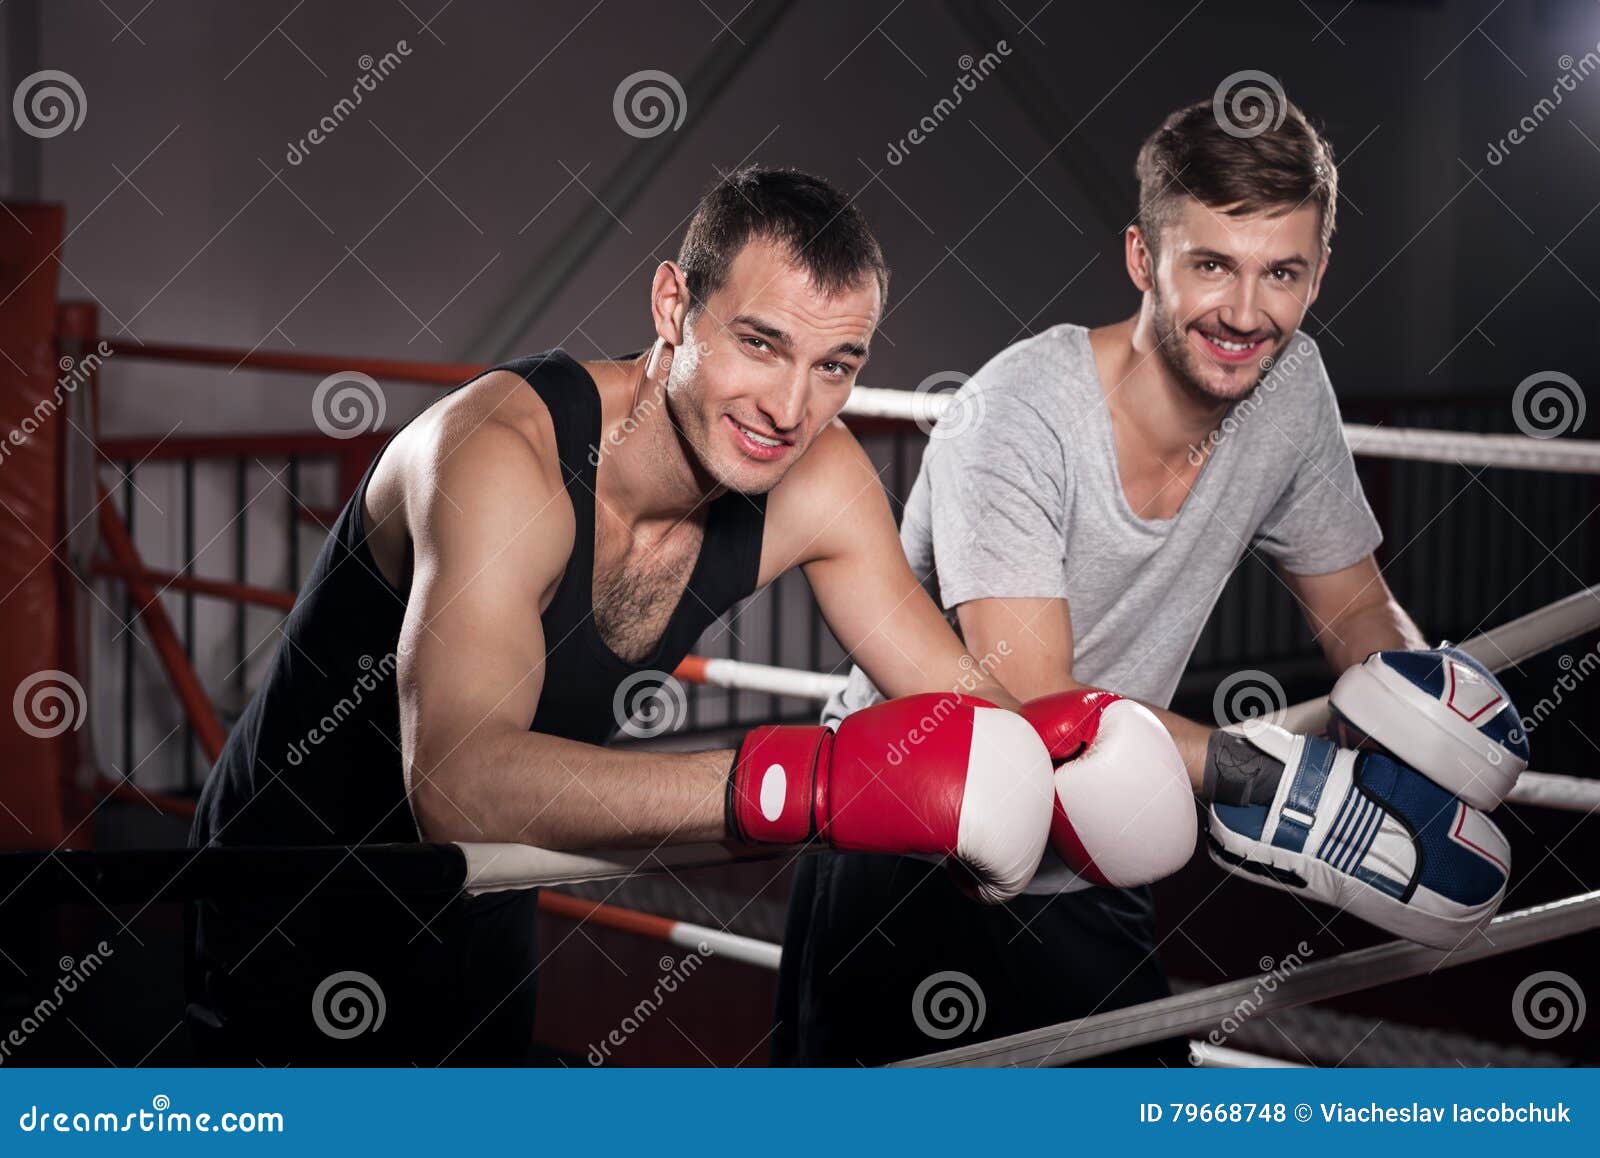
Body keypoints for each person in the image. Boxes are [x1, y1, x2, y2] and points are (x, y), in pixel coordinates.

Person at [186, 166, 1182, 1066]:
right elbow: (455, 781)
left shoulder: (816, 480)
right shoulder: (499, 455)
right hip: (288, 898)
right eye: (761, 344)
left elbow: (958, 702)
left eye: (835, 365)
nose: (791, 408)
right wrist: (809, 785)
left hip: (481, 894)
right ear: (674, 305)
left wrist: (1087, 760)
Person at [775, 97, 1520, 1067]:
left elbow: (1350, 607)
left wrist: (1414, 700)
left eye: (1279, 273)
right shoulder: (1018, 415)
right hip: (912, 836)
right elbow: (1032, 705)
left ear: (1316, 274)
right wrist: (1275, 780)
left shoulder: (1290, 389)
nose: (1245, 314)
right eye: (1210, 265)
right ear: (1142, 260)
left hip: (1103, 832)